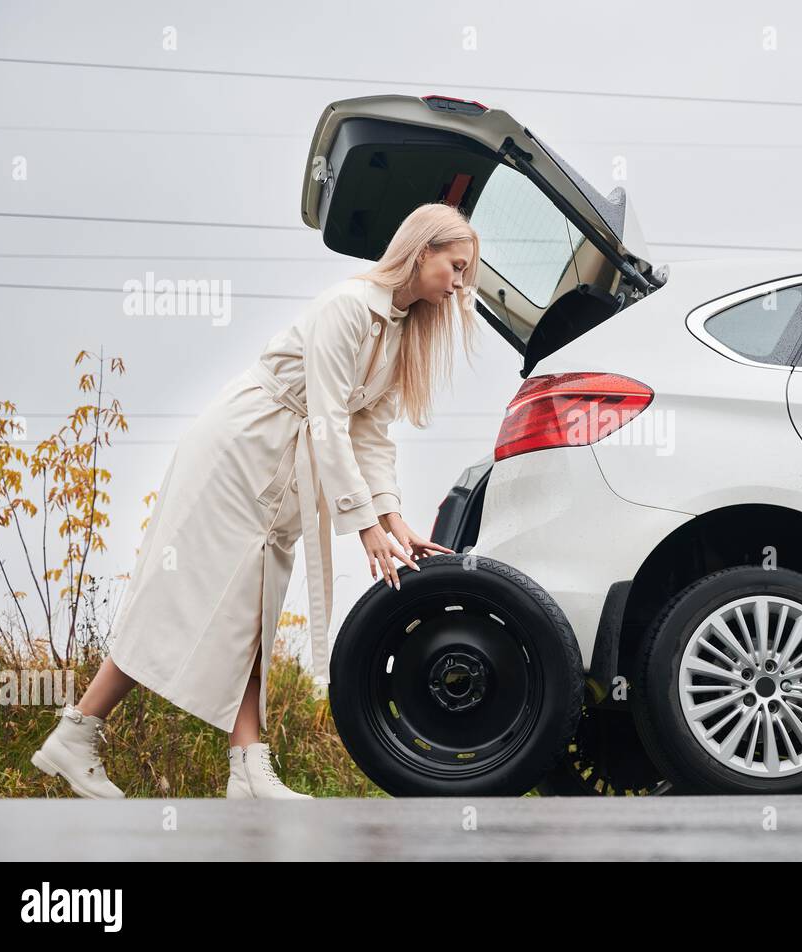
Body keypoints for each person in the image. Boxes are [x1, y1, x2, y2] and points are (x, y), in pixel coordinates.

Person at [30, 202, 481, 799]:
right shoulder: (348, 306)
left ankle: (247, 768)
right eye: (455, 267)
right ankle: (77, 734)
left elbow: (370, 434)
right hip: (238, 455)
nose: (458, 286)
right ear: (421, 251)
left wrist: (394, 520)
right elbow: (326, 419)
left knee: (254, 614)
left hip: (284, 476)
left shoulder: (398, 333)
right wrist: (365, 527)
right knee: (178, 597)